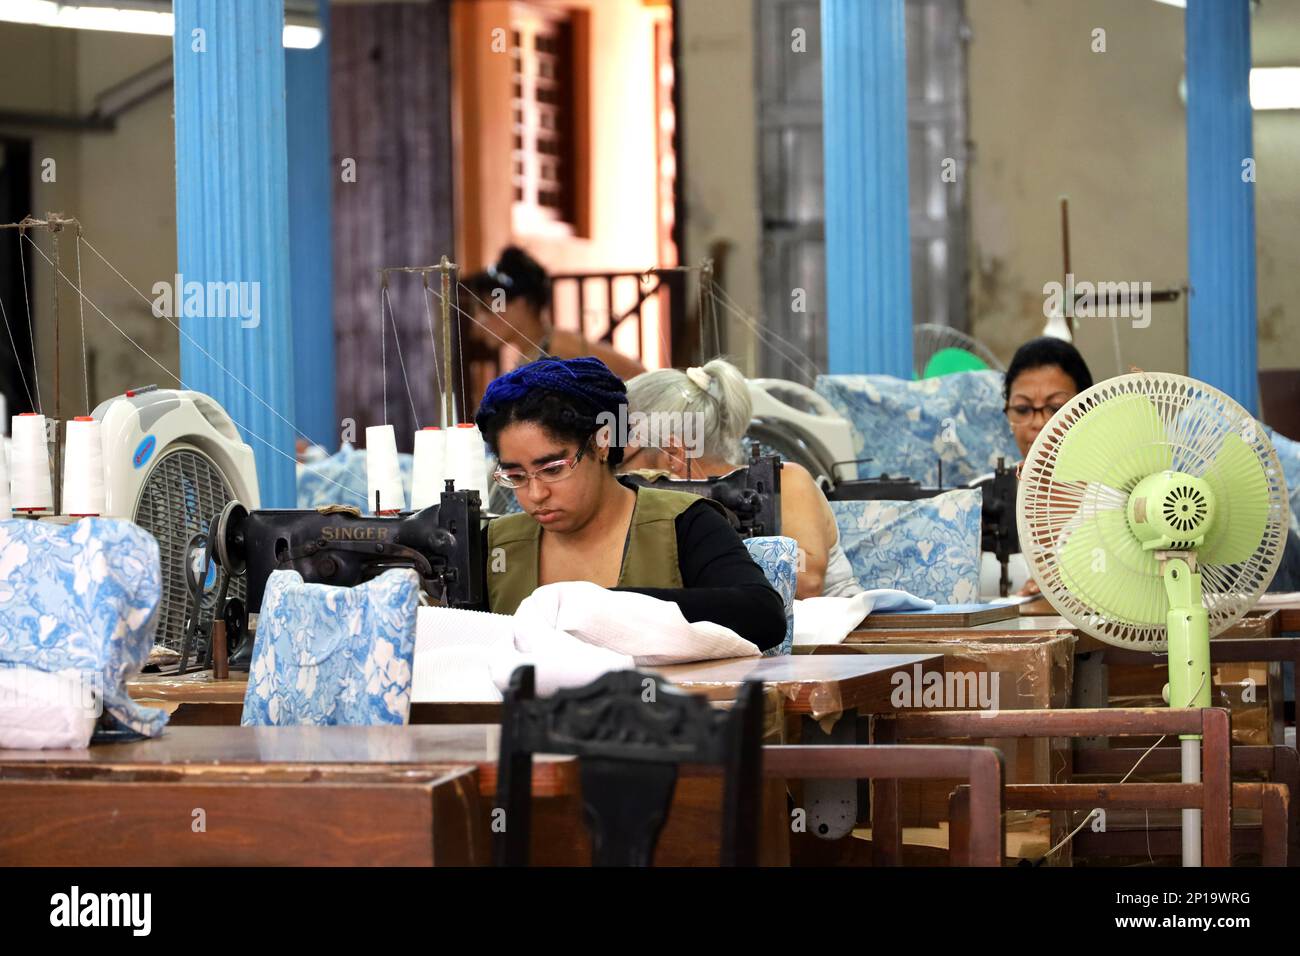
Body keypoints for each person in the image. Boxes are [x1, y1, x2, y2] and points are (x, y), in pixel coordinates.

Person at [474, 355, 786, 651]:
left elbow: (762, 616)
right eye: (516, 476)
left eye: (553, 470)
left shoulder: (683, 524)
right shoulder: (496, 546)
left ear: (602, 443)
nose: (535, 494)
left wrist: (601, 607)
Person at [621, 358, 860, 600]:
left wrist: (709, 546)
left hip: (842, 633)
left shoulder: (786, 482)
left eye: (619, 459)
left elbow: (808, 581)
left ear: (671, 455)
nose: (612, 473)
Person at [463, 246, 646, 380]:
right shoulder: (533, 353)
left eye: (489, 308)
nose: (479, 321)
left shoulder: (562, 349)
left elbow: (643, 379)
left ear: (521, 304)